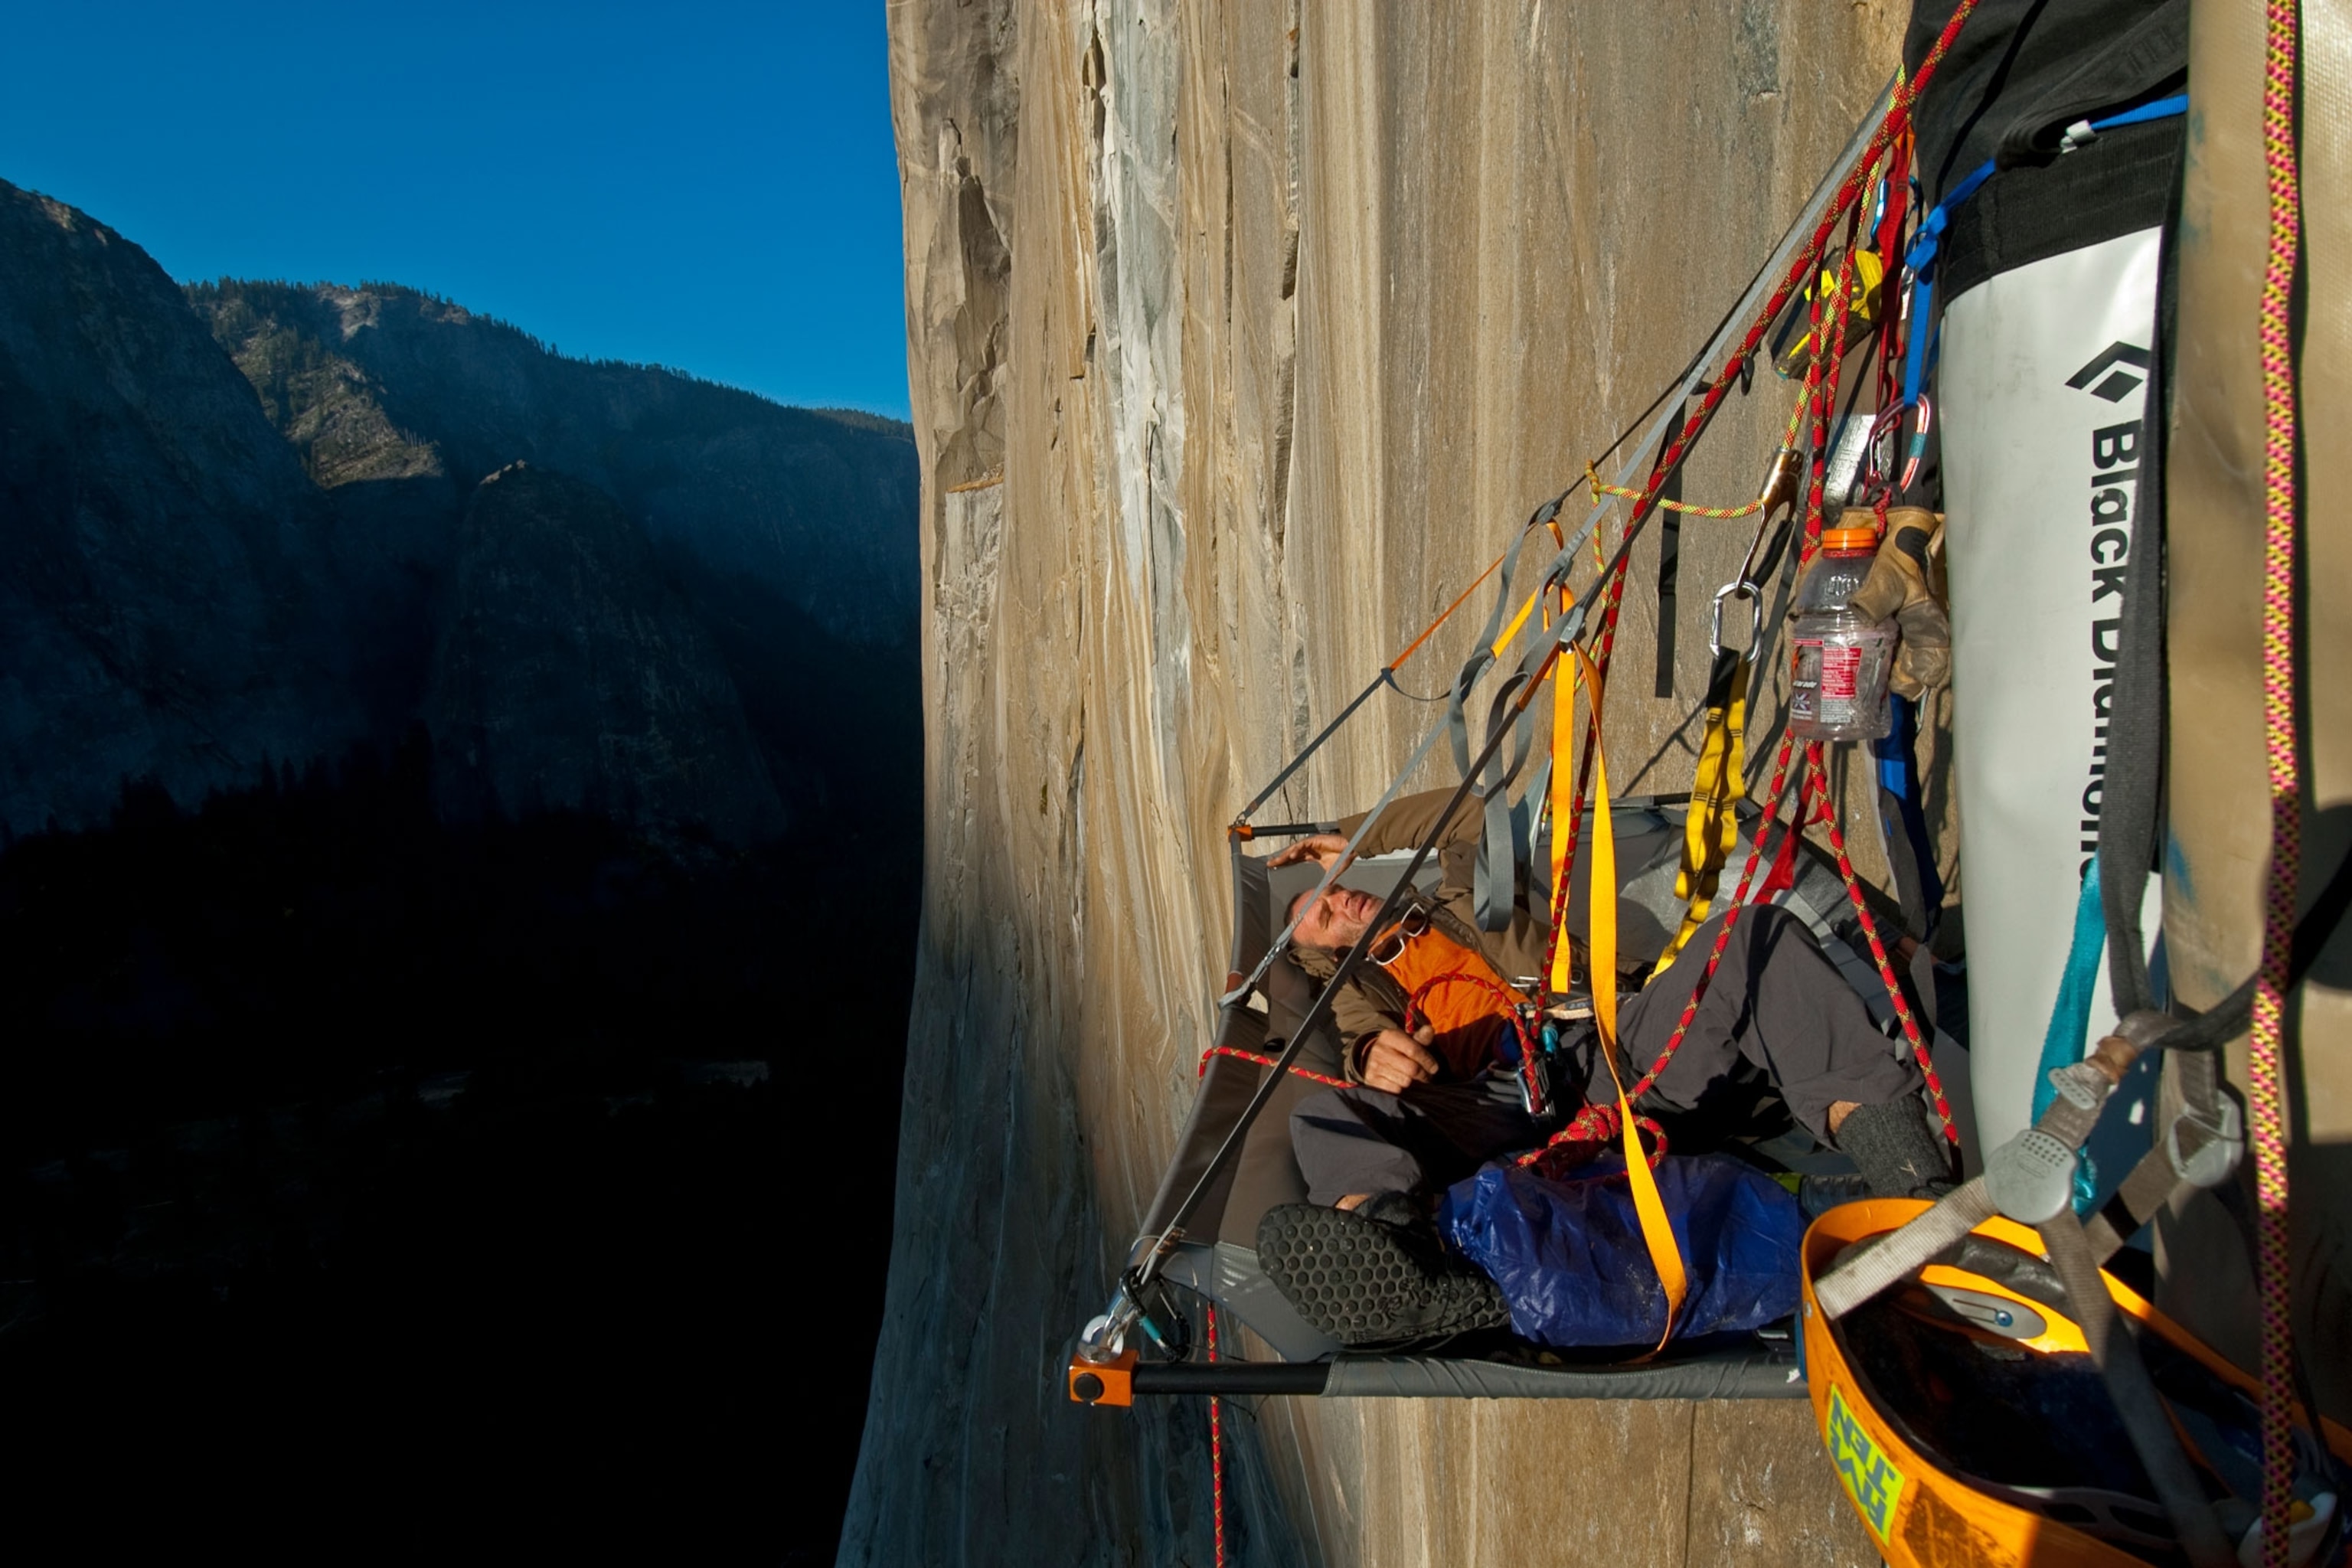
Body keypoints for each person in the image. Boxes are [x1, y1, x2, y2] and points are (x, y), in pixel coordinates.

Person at [1254, 787, 1952, 1346]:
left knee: (1750, 944)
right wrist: (1370, 1049)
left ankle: (1913, 1188)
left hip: (1600, 1054)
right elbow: (1336, 1002)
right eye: (1321, 917)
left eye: (1337, 889)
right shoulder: (1360, 993)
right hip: (1493, 1115)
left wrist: (1353, 836)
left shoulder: (1460, 892)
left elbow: (1468, 812)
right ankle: (1401, 1258)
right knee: (1325, 1112)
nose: (1338, 901)